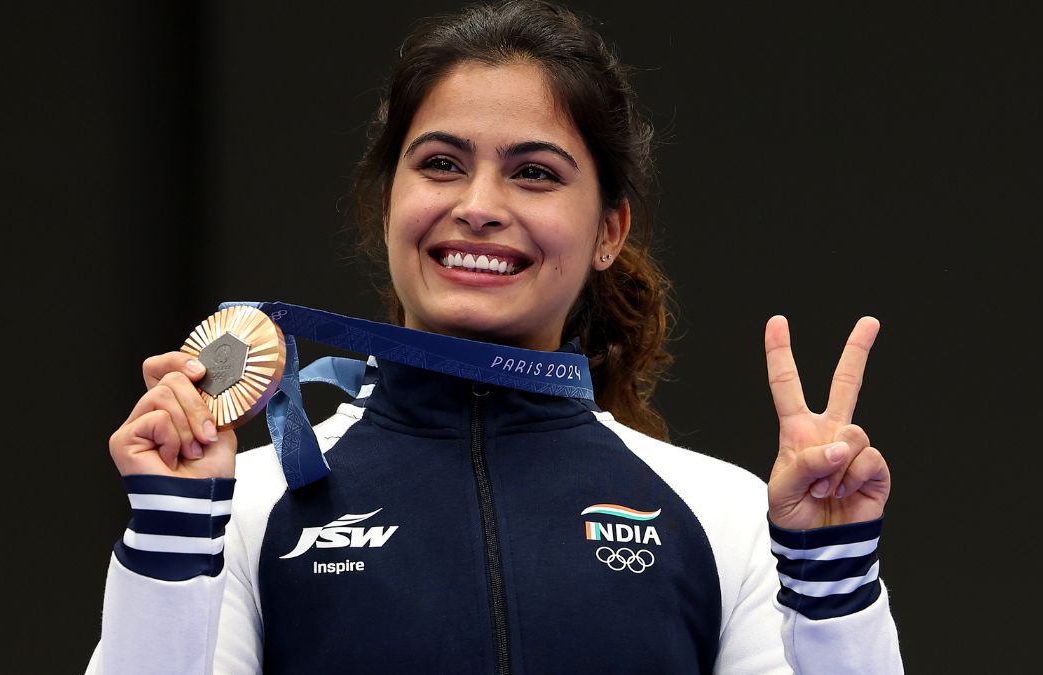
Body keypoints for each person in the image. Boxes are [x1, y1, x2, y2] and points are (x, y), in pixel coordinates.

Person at [87, 1, 902, 672]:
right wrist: (171, 539)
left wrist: (832, 586)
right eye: (441, 163)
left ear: (609, 230)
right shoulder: (246, 507)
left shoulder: (728, 514)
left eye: (534, 172)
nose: (478, 205)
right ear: (387, 202)